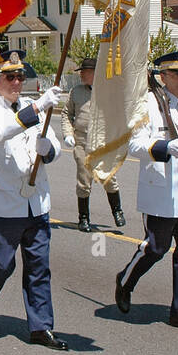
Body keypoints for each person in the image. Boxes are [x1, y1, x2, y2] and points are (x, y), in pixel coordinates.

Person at [0, 54, 69, 350]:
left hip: (35, 203)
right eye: (9, 77)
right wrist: (38, 106)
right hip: (1, 205)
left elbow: (54, 144)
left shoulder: (29, 106)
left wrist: (49, 151)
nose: (16, 83)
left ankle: (41, 327)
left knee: (39, 267)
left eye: (20, 77)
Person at [113, 50, 178, 332]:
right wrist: (163, 148)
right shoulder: (147, 104)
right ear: (163, 76)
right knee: (155, 249)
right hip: (161, 193)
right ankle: (125, 281)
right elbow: (134, 145)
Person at [62, 57, 126, 232]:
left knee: (109, 179)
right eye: (81, 71)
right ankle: (83, 218)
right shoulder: (76, 92)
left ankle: (117, 211)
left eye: (85, 71)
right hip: (82, 142)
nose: (82, 74)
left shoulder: (109, 92)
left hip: (103, 143)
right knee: (83, 182)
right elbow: (67, 114)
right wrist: (68, 134)